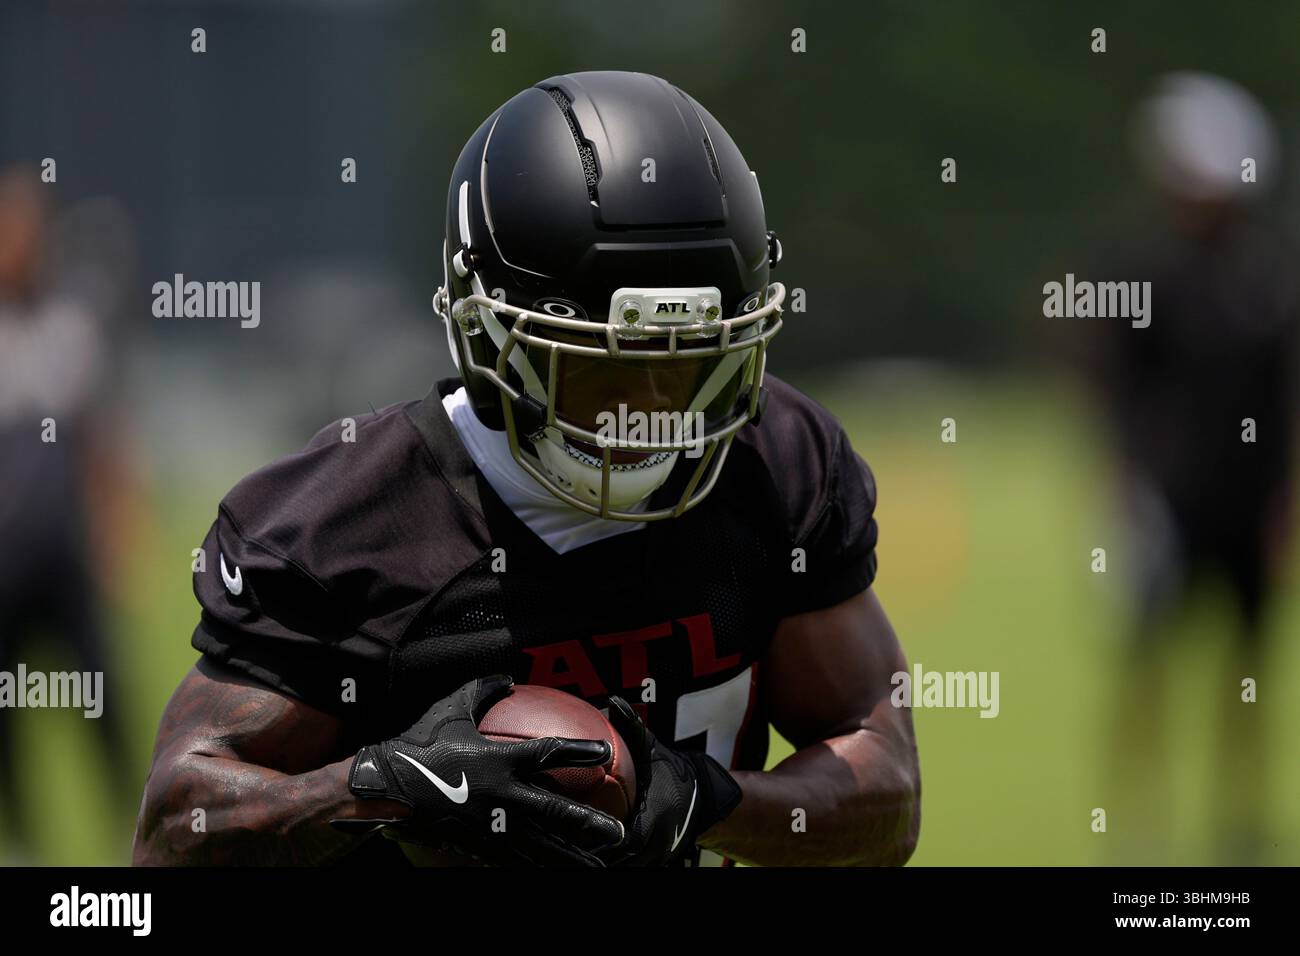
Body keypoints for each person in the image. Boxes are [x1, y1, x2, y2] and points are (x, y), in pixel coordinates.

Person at [133, 71, 920, 866]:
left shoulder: (776, 465)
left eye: (685, 368)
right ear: (486, 337)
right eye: (602, 372)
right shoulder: (348, 526)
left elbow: (887, 789)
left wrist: (703, 800)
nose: (645, 412)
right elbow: (172, 831)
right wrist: (386, 786)